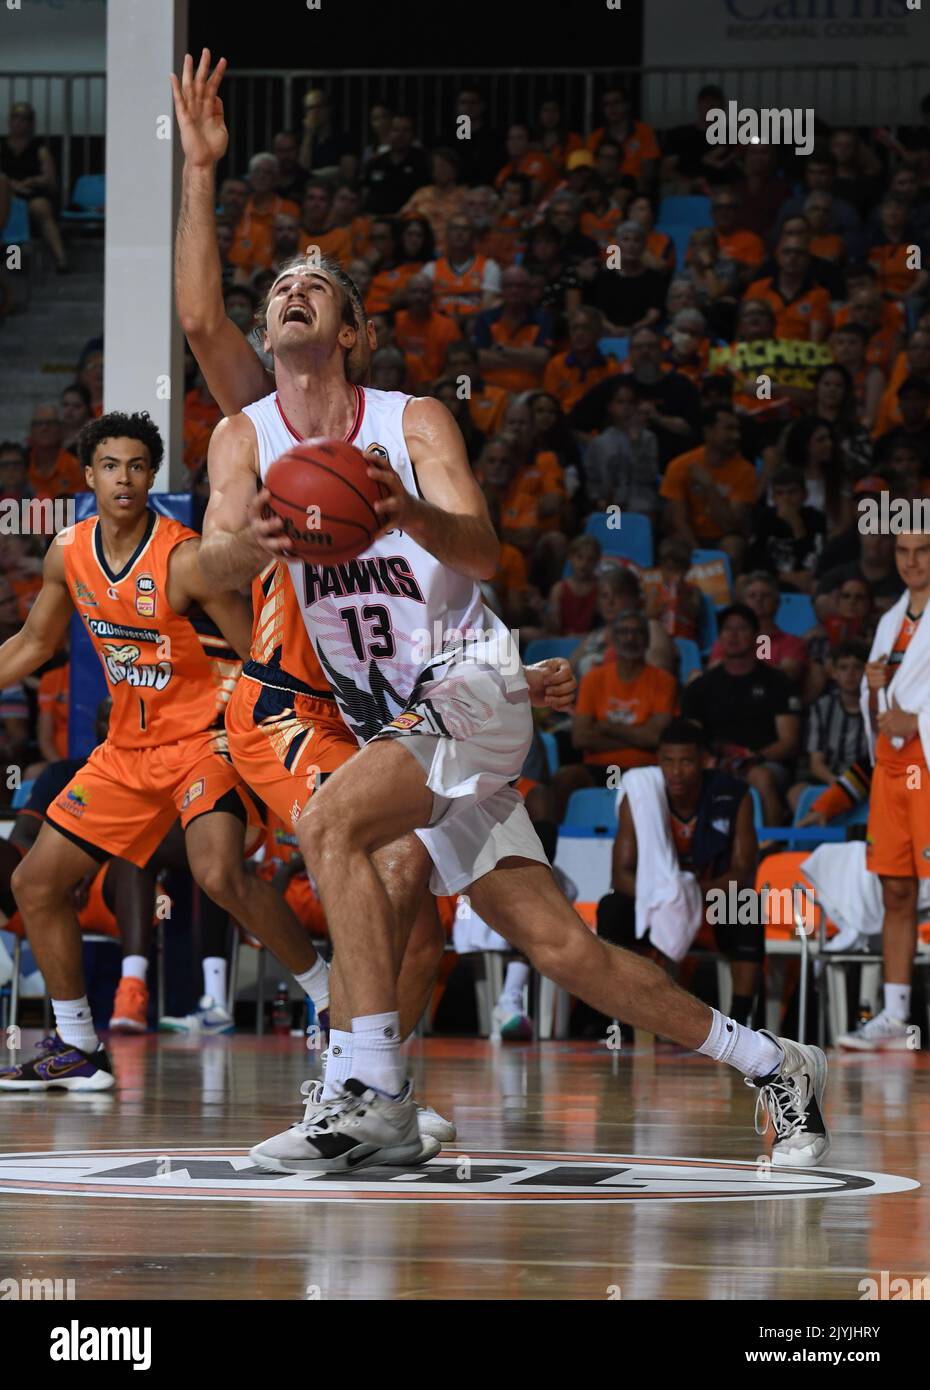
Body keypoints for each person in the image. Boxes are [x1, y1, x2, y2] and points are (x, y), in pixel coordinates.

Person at [182, 51, 829, 1175]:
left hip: (471, 689)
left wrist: (404, 516)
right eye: (277, 282)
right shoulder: (250, 439)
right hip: (402, 719)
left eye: (316, 286)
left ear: (351, 334)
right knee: (560, 945)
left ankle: (372, 1087)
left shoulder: (410, 417)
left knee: (331, 824)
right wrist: (199, 172)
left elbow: (487, 546)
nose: (289, 289)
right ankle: (775, 1062)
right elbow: (206, 550)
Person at [0, 411, 330, 1090]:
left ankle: (328, 997)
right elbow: (34, 645)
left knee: (218, 872)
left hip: (205, 741)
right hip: (126, 752)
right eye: (111, 466)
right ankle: (78, 1047)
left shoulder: (184, 559)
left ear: (153, 477)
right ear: (87, 476)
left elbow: (258, 655)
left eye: (138, 466)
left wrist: (284, 738)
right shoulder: (68, 552)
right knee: (34, 882)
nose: (126, 479)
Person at [601, 718, 762, 1027]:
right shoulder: (641, 795)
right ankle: (615, 1016)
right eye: (667, 761)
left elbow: (744, 872)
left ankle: (740, 1022)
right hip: (656, 900)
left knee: (747, 908)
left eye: (686, 761)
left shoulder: (734, 795)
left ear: (704, 760)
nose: (676, 771)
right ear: (658, 760)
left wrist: (690, 894)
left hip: (709, 899)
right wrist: (666, 895)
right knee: (612, 907)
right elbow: (620, 875)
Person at [838, 531, 930, 1049]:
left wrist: (919, 718)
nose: (911, 561)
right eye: (903, 551)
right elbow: (880, 712)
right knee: (896, 888)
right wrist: (873, 689)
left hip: (928, 764)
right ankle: (896, 1018)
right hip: (891, 769)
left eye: (922, 551)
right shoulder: (890, 620)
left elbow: (913, 708)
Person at [683, 603, 801, 826]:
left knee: (760, 776)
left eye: (742, 628)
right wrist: (712, 759)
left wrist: (753, 758)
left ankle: (770, 845)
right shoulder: (700, 687)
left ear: (757, 636)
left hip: (765, 762)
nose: (733, 635)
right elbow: (691, 737)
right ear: (718, 637)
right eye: (727, 629)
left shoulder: (778, 682)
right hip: (714, 761)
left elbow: (789, 741)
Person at [660, 404, 758, 571]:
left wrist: (709, 486)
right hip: (688, 535)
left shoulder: (746, 471)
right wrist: (698, 553)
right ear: (708, 432)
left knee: (733, 547)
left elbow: (731, 526)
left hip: (722, 537)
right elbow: (677, 520)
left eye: (737, 430)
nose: (736, 436)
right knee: (672, 550)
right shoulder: (680, 465)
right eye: (728, 429)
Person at [789, 640, 871, 825]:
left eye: (857, 667)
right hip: (828, 777)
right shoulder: (821, 707)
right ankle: (805, 845)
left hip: (869, 782)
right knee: (796, 792)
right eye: (843, 668)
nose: (851, 674)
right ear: (833, 672)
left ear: (867, 672)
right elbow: (816, 763)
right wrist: (834, 781)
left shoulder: (878, 708)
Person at [0, 101, 68, 272]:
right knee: (9, 210)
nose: (19, 122)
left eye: (24, 119)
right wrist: (12, 185)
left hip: (32, 193)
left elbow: (50, 179)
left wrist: (31, 182)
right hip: (6, 194)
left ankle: (61, 259)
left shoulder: (40, 149)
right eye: (15, 118)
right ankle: (13, 263)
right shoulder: (1, 146)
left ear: (31, 123)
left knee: (41, 208)